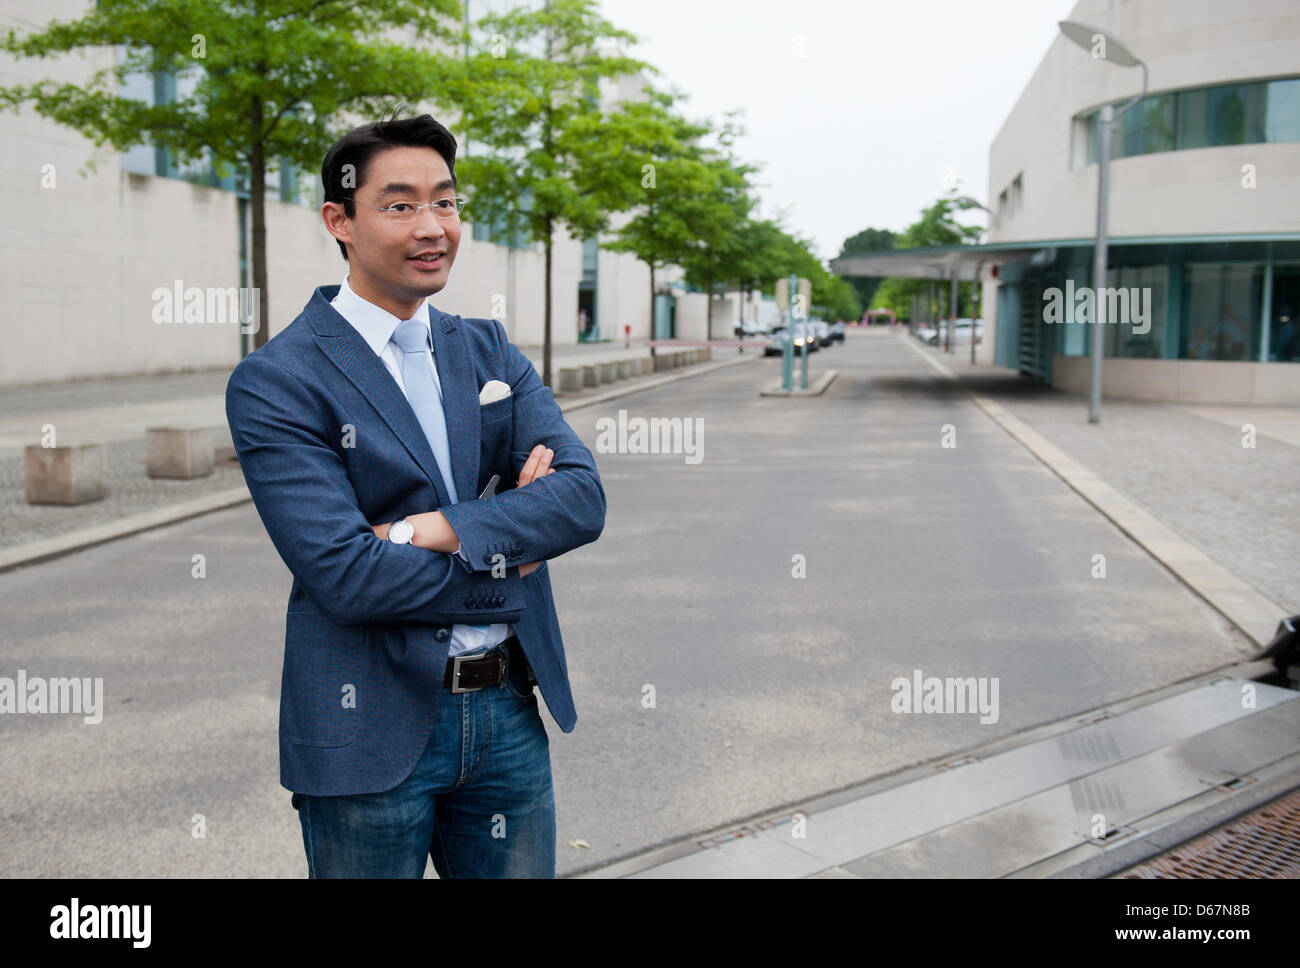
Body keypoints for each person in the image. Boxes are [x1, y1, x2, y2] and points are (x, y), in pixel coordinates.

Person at [224, 112, 606, 878]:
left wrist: (430, 529)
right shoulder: (279, 379)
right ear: (340, 220)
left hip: (507, 714)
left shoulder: (487, 348)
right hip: (365, 724)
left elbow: (580, 499)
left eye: (446, 201)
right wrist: (511, 560)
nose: (432, 227)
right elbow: (348, 574)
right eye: (399, 206)